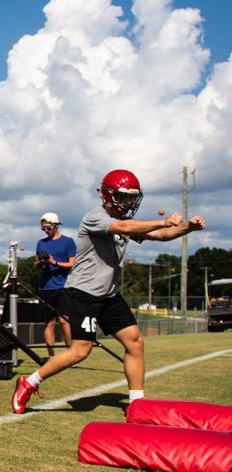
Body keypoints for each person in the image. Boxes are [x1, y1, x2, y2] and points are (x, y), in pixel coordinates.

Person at [12, 171, 205, 414]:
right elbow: (124, 226)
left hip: (108, 294)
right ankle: (28, 383)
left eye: (132, 198)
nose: (129, 203)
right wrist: (163, 220)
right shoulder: (96, 217)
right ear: (109, 195)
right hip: (83, 293)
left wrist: (188, 227)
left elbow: (159, 235)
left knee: (135, 342)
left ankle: (137, 404)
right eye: (124, 197)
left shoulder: (126, 222)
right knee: (80, 351)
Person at [33, 212, 76, 356]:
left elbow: (72, 264)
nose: (45, 231)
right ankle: (51, 355)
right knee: (49, 323)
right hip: (45, 287)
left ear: (56, 225)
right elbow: (36, 265)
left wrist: (55, 263)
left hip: (63, 286)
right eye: (43, 228)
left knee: (65, 321)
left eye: (48, 228)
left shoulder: (68, 242)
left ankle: (70, 354)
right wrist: (39, 262)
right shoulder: (41, 243)